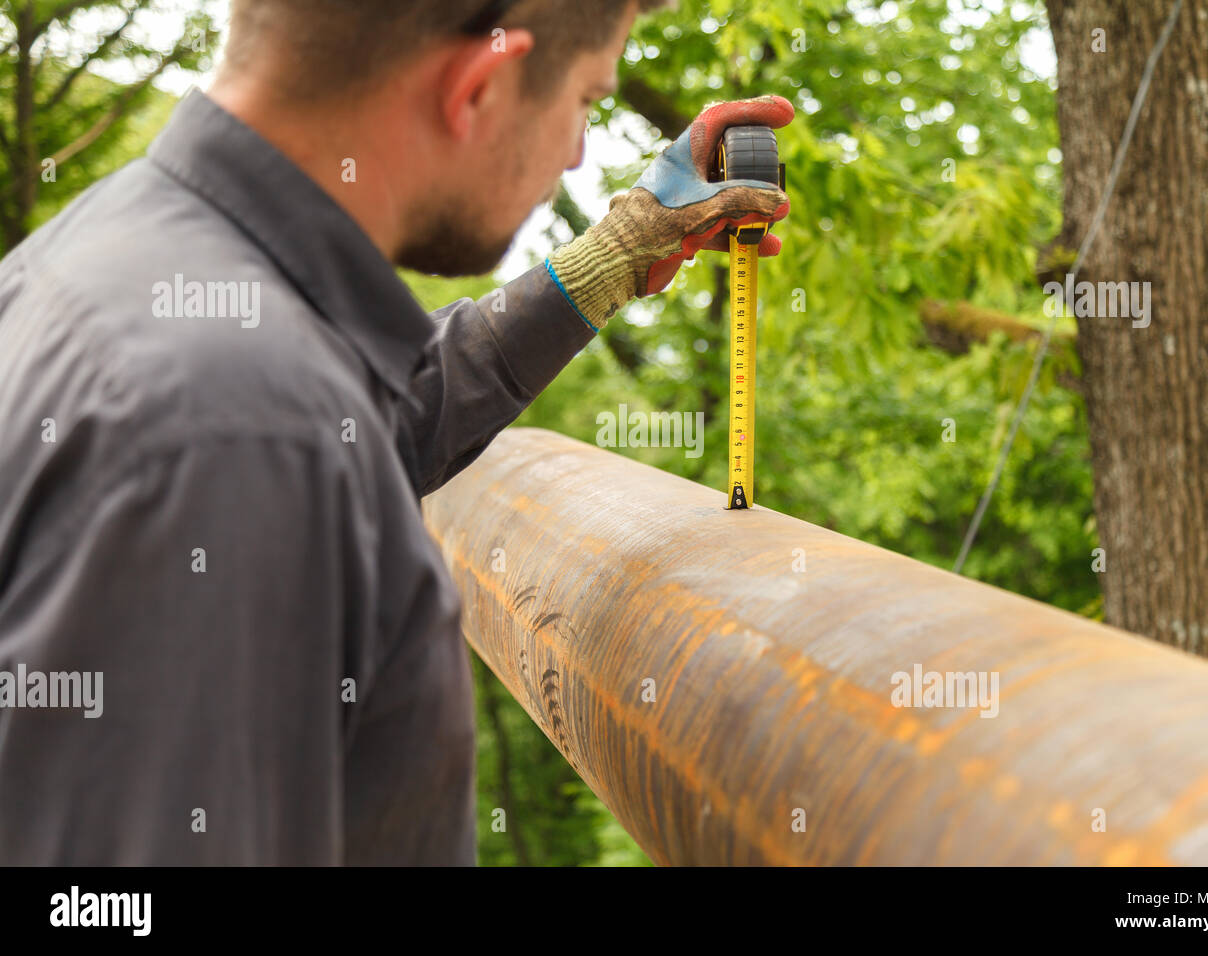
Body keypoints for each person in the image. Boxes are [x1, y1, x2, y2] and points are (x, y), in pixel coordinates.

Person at [0, 0, 791, 864]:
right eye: (587, 102)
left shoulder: (115, 260)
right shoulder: (231, 432)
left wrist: (611, 257)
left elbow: (359, 422)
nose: (575, 151)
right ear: (479, 86)